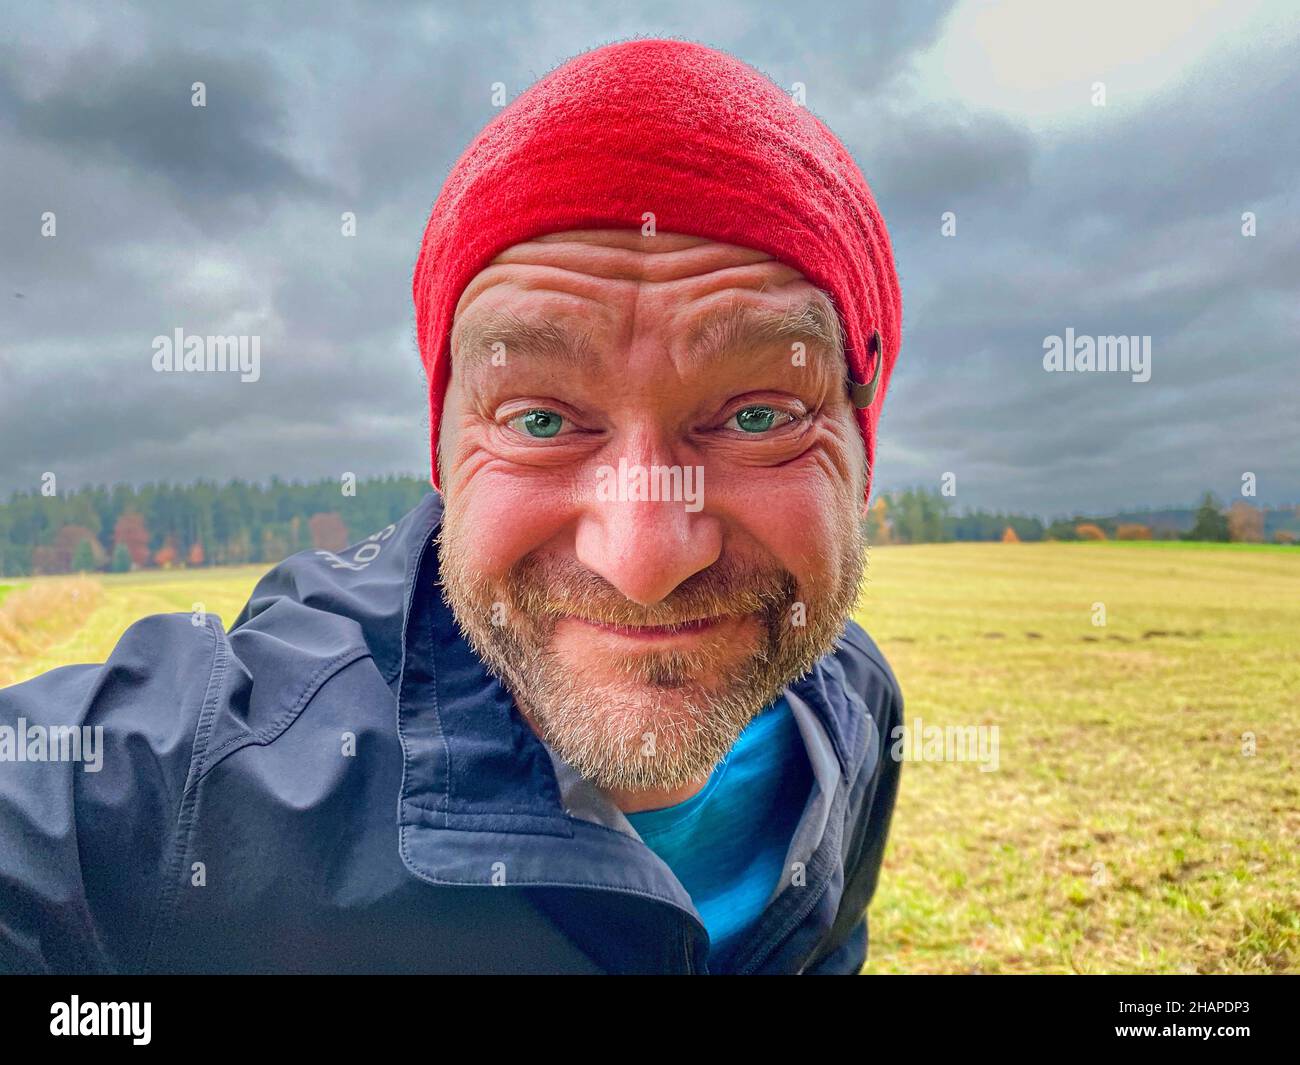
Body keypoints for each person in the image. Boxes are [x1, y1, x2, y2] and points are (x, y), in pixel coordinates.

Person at [0, 37, 903, 974]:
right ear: (445, 458)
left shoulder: (850, 708)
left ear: (862, 452)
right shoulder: (202, 790)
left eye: (759, 415)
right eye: (543, 418)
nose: (642, 557)